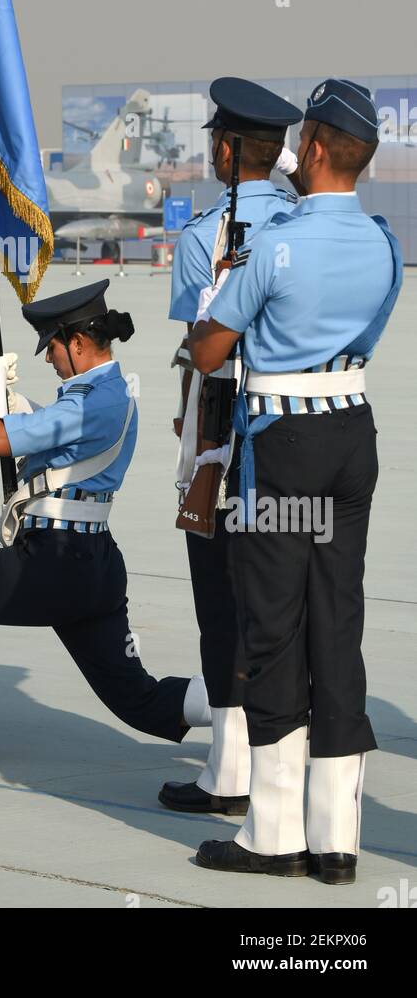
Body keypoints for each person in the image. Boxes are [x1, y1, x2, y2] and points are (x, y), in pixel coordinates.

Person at [189, 79, 402, 883]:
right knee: (335, 620)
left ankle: (272, 834)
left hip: (281, 441)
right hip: (350, 431)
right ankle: (337, 837)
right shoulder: (381, 243)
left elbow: (209, 350)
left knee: (272, 628)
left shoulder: (274, 245)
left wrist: (219, 307)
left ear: (311, 149)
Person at [0, 279, 211, 768]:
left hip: (52, 563)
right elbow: (62, 443)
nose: (48, 359)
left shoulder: (88, 400)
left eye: (52, 347)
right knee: (139, 700)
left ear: (79, 343)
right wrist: (19, 407)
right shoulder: (110, 393)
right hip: (96, 565)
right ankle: (256, 711)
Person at [160, 78, 302, 816]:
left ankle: (228, 771)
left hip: (224, 438)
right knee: (287, 606)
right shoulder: (306, 223)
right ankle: (288, 772)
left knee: (221, 608)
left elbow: (198, 351)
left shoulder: (202, 236)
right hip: (302, 432)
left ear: (224, 148)